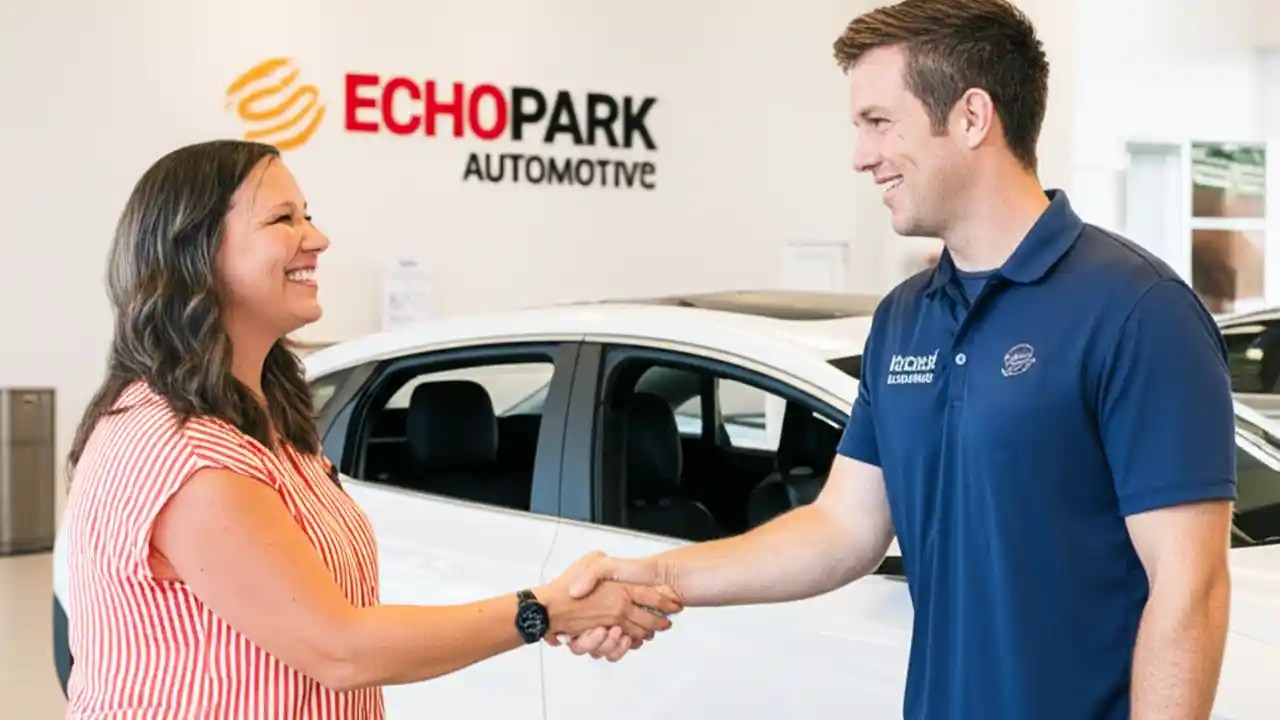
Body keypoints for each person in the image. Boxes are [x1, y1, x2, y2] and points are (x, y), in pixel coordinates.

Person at [553, 1, 1238, 718]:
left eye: (880, 122)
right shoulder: (905, 317)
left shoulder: (1137, 310)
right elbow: (843, 528)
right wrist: (660, 573)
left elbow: (1190, 588)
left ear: (972, 118)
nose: (861, 155)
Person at [59, 139, 681, 719]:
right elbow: (340, 649)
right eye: (284, 220)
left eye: (308, 215)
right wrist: (543, 611)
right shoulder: (188, 451)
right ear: (196, 254)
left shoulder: (264, 422)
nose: (319, 238)